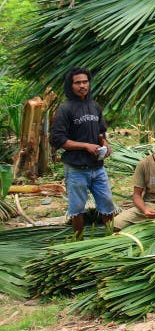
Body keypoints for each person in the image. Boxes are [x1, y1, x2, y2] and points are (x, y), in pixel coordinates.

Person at [50, 67, 116, 237]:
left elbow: (101, 132)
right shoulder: (66, 109)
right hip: (76, 168)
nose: (82, 86)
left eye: (85, 82)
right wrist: (85, 146)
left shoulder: (94, 106)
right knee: (77, 208)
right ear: (70, 86)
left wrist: (104, 143)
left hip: (97, 167)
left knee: (107, 203)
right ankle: (78, 241)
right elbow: (58, 139)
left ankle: (110, 237)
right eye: (77, 82)